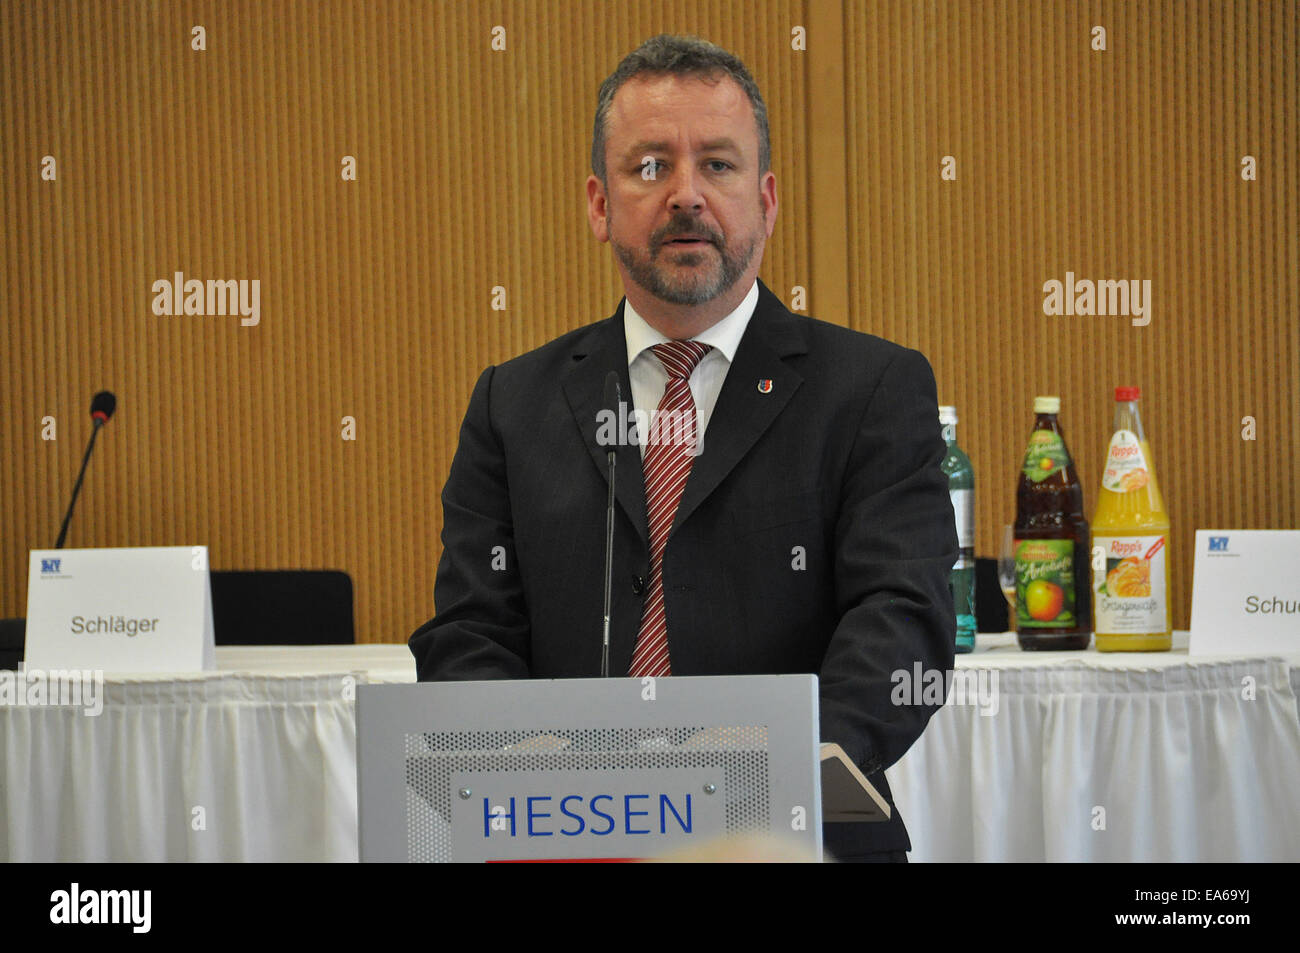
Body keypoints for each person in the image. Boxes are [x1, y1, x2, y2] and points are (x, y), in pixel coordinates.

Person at [409, 34, 957, 862]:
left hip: (794, 835)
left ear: (767, 201)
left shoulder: (871, 389)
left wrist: (752, 788)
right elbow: (468, 632)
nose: (687, 196)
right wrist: (543, 787)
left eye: (720, 166)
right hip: (565, 837)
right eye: (651, 165)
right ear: (599, 204)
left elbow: (904, 622)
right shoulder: (511, 402)